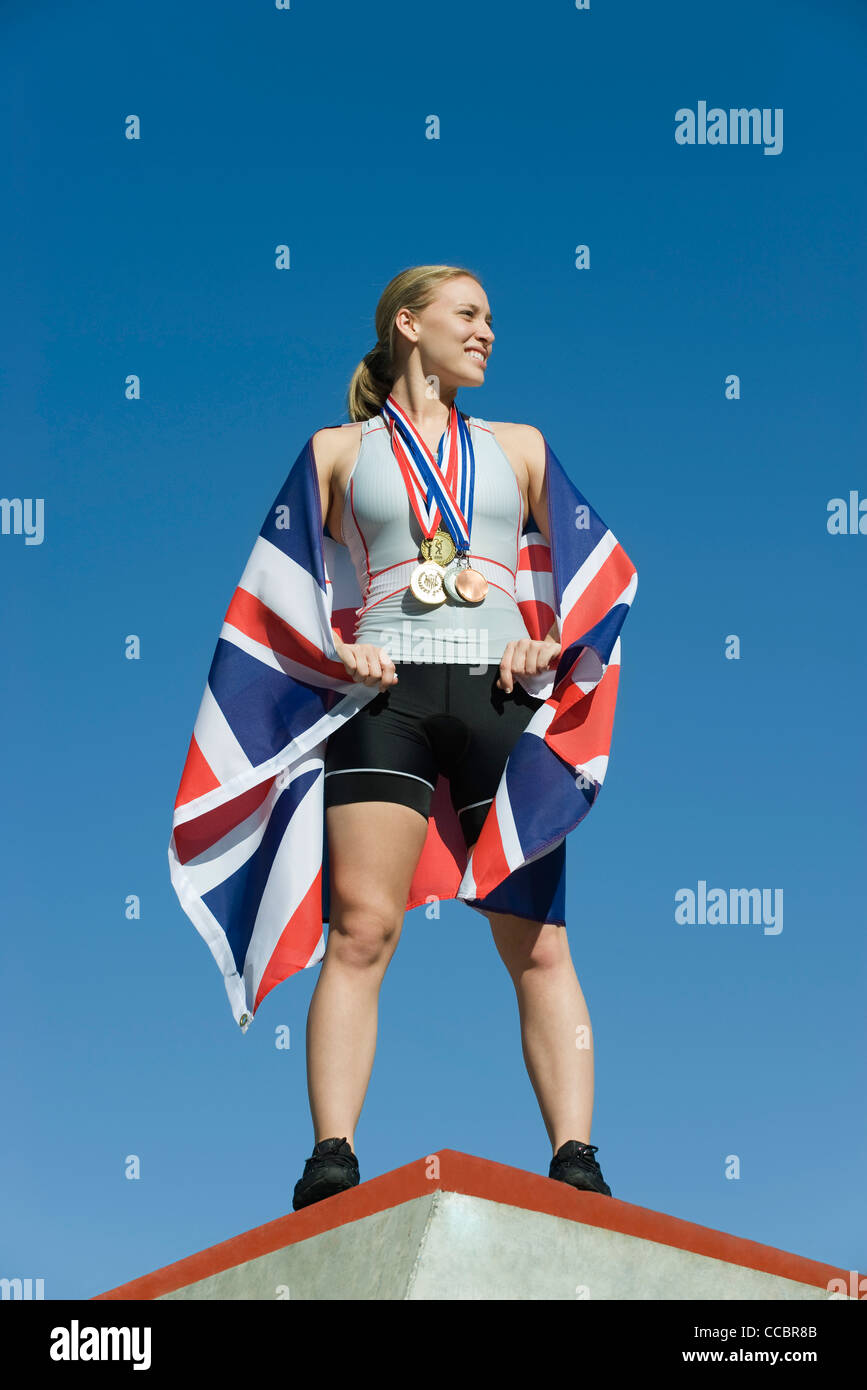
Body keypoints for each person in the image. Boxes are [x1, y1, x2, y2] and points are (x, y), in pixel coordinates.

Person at [292, 264, 613, 1210]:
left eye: (489, 320)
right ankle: (332, 1158)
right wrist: (335, 651)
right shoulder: (333, 452)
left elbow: (593, 570)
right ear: (408, 325)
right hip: (381, 698)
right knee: (360, 929)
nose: (485, 333)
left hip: (496, 696)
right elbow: (276, 593)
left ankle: (576, 1160)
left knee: (539, 939)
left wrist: (549, 637)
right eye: (467, 315)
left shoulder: (519, 447)